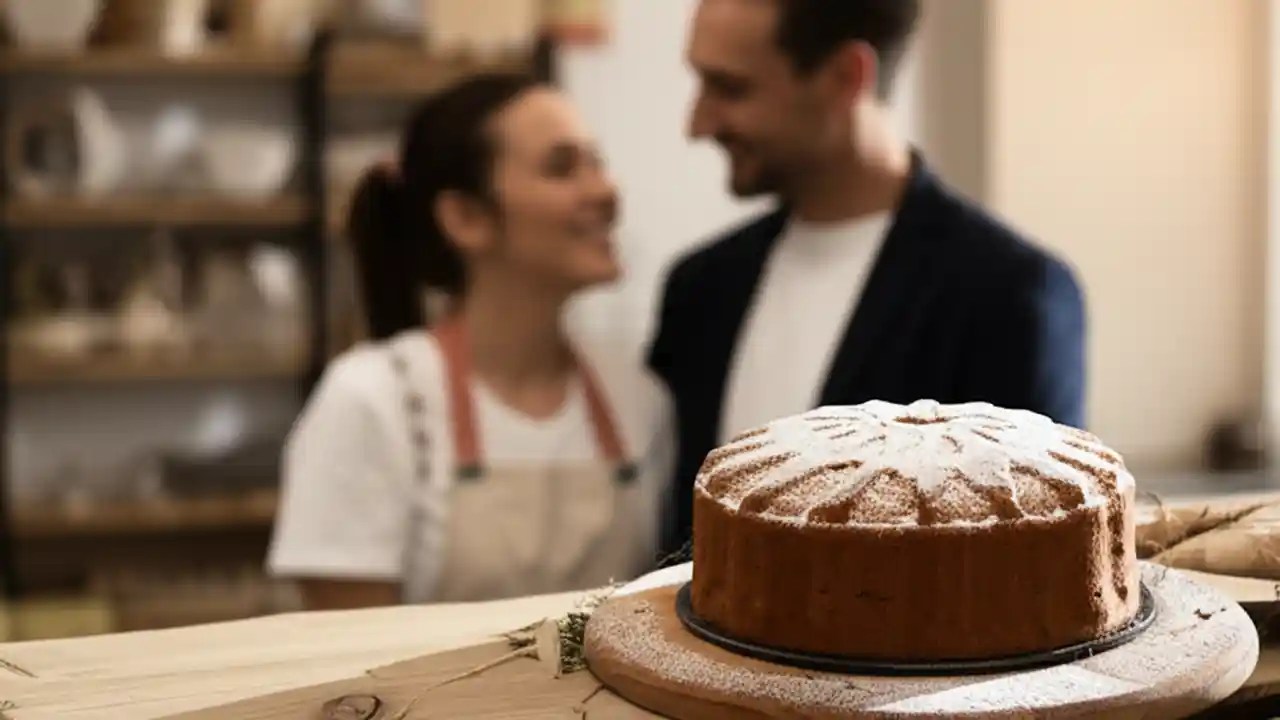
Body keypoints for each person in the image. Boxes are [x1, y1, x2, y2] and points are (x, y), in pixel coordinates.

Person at [648, 0, 1087, 555]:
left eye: (729, 88)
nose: (697, 124)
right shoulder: (699, 289)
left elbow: (1037, 563)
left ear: (844, 76)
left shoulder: (1012, 294)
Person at [268, 74, 672, 609]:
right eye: (562, 167)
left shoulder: (639, 401)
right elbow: (347, 672)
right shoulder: (374, 403)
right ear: (465, 217)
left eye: (596, 163)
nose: (605, 190)